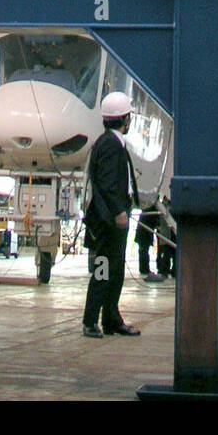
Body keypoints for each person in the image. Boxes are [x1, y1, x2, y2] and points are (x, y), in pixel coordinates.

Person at [82, 91, 140, 338]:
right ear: (125, 119)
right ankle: (90, 321)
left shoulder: (110, 142)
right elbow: (107, 183)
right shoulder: (110, 145)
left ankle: (111, 320)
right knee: (104, 270)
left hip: (112, 220)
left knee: (114, 271)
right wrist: (118, 211)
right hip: (108, 221)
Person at [136, 204, 163, 281]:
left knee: (143, 250)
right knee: (143, 250)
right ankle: (144, 269)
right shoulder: (150, 210)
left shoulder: (146, 210)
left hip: (144, 232)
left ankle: (144, 268)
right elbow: (154, 220)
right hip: (144, 233)